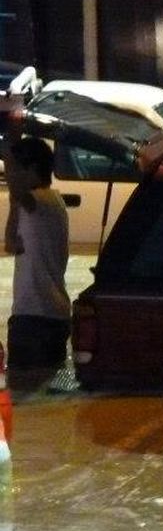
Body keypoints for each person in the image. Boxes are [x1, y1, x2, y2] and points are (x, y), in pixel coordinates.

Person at [3, 136, 70, 371]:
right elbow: (11, 244)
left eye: (16, 169)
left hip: (35, 317)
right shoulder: (47, 203)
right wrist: (14, 202)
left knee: (23, 397)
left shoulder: (41, 201)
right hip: (49, 314)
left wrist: (7, 147)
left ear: (31, 169)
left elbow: (18, 190)